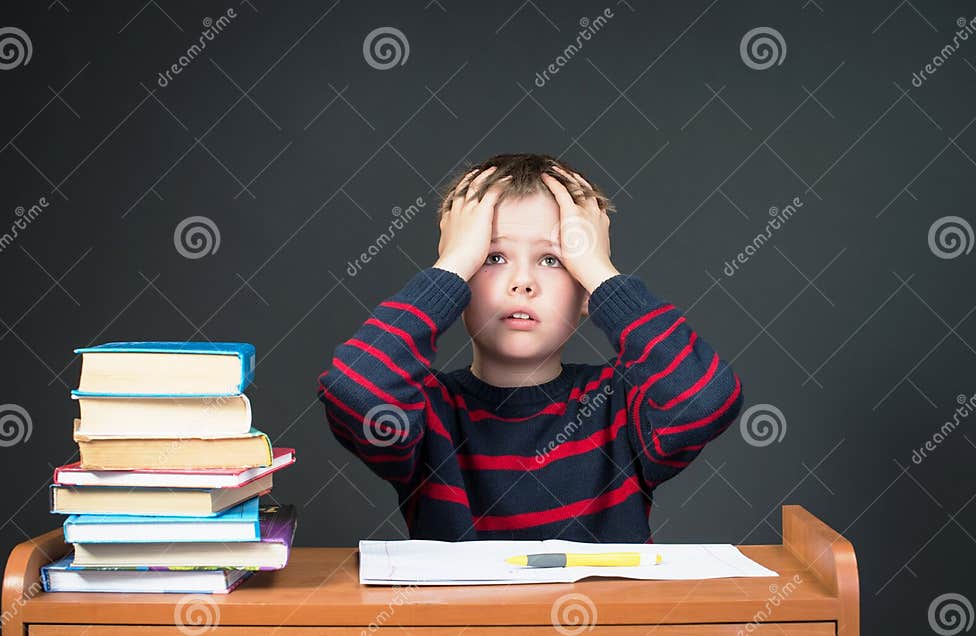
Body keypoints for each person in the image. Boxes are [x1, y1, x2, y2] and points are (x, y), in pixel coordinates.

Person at [316, 153, 744, 542]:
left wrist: (602, 272)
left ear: (584, 297)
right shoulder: (428, 413)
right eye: (492, 257)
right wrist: (450, 266)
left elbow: (704, 400)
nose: (523, 282)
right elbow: (356, 390)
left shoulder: (621, 404)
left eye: (552, 259)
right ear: (459, 283)